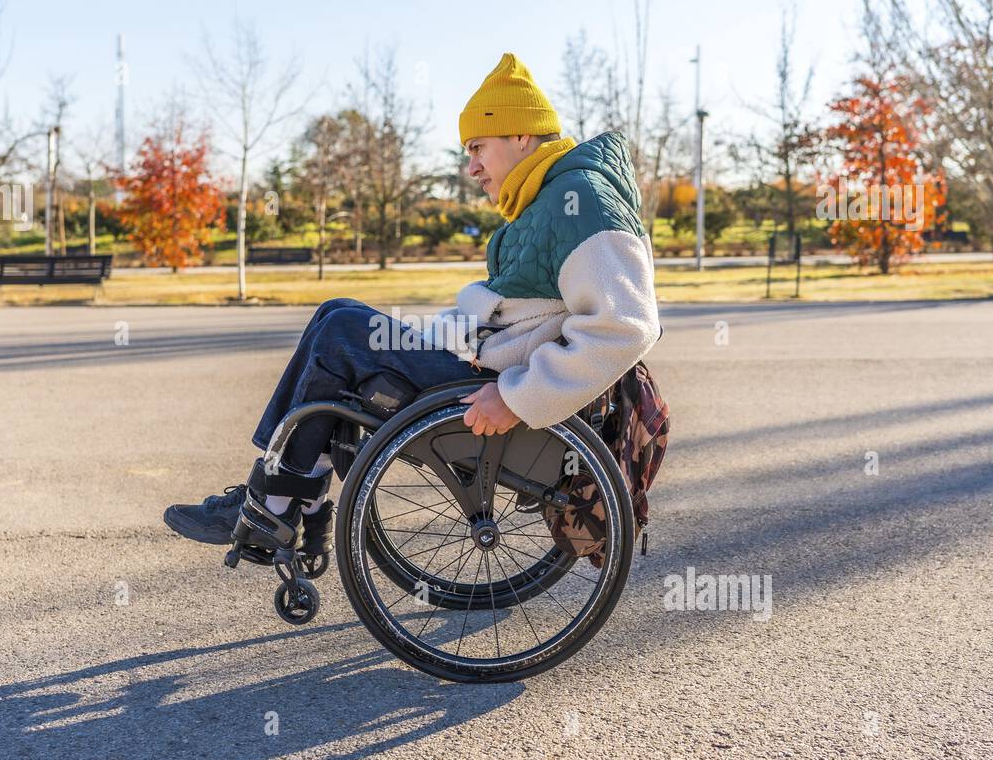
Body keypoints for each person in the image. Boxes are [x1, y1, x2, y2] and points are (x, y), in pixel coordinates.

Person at [163, 52, 662, 561]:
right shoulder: (547, 198)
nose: (470, 168)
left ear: (521, 136)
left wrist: (518, 398)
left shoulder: (581, 197)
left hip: (499, 385)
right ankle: (295, 495)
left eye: (477, 147)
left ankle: (275, 499)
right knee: (335, 314)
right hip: (480, 359)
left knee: (343, 336)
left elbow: (626, 325)